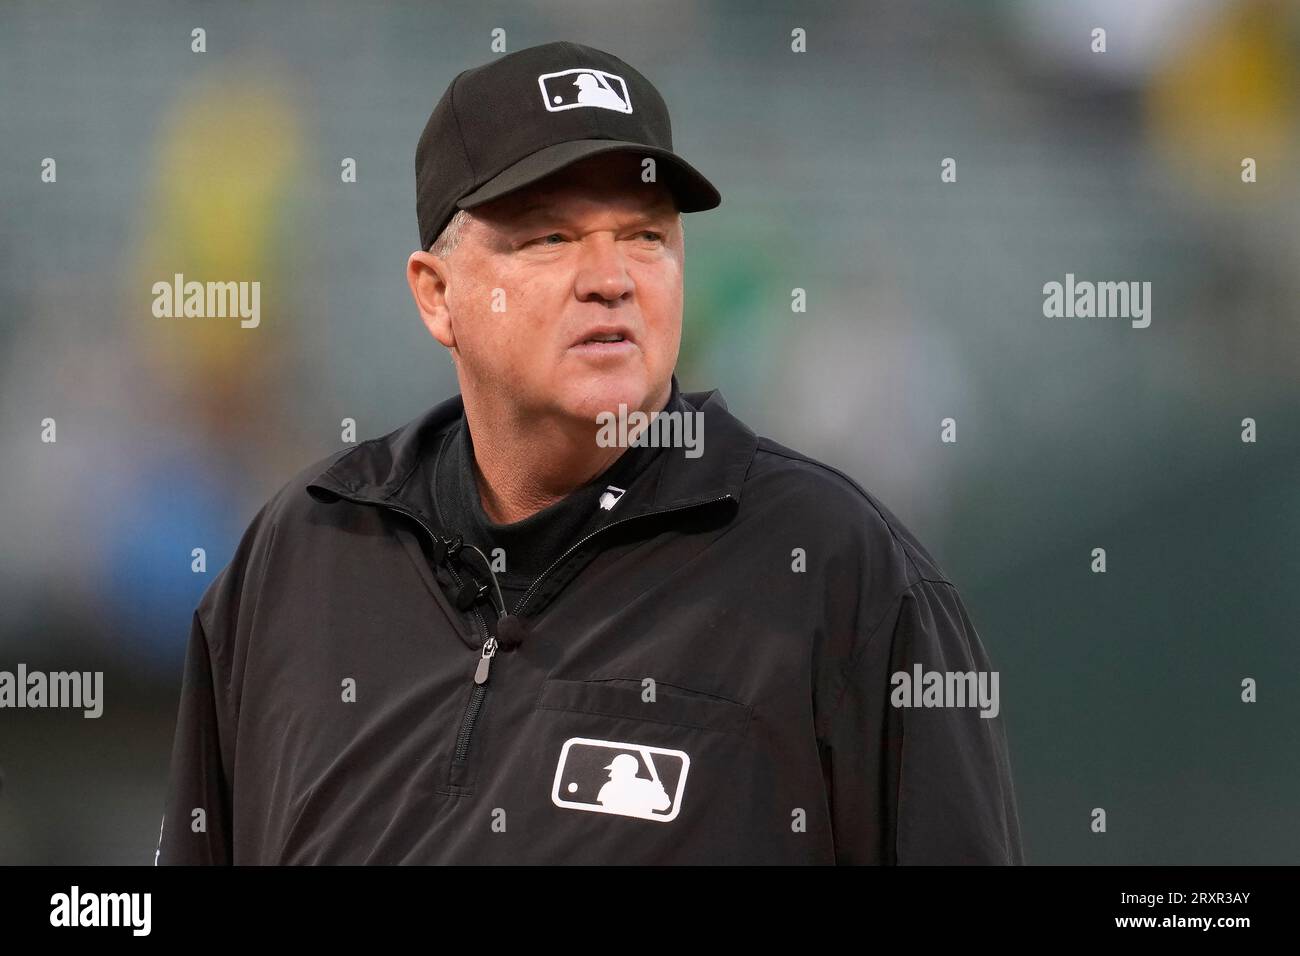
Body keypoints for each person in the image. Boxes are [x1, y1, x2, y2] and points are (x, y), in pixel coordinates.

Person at [157, 40, 1024, 865]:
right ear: (436, 296)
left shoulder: (841, 572)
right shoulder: (304, 556)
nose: (611, 276)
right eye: (551, 238)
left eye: (646, 235)